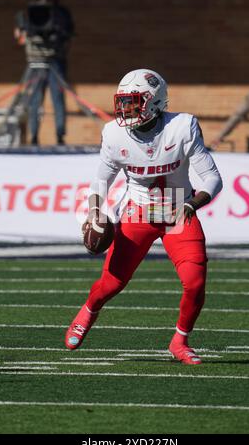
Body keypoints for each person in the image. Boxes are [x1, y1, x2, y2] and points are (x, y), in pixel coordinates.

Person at [65, 69, 223, 365]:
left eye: (134, 101)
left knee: (195, 281)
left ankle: (179, 341)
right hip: (139, 211)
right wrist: (95, 210)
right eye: (123, 101)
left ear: (155, 101)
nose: (126, 108)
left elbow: (213, 179)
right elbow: (101, 182)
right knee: (111, 284)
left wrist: (192, 205)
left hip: (178, 211)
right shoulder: (114, 133)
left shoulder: (182, 127)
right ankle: (88, 310)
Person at [14, 0, 75, 146]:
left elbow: (69, 35)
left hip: (55, 61)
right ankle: (33, 137)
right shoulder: (26, 14)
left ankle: (60, 136)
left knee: (58, 100)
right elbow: (20, 37)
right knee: (34, 100)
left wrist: (58, 33)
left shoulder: (61, 14)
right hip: (35, 61)